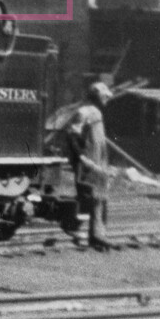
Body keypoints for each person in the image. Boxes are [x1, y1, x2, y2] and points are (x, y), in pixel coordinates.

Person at [66, 81, 115, 250]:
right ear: (97, 96)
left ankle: (97, 236)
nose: (107, 99)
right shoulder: (84, 112)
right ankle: (81, 231)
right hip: (88, 163)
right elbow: (72, 136)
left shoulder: (96, 113)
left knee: (100, 198)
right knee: (92, 198)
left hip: (98, 163)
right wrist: (81, 157)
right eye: (104, 96)